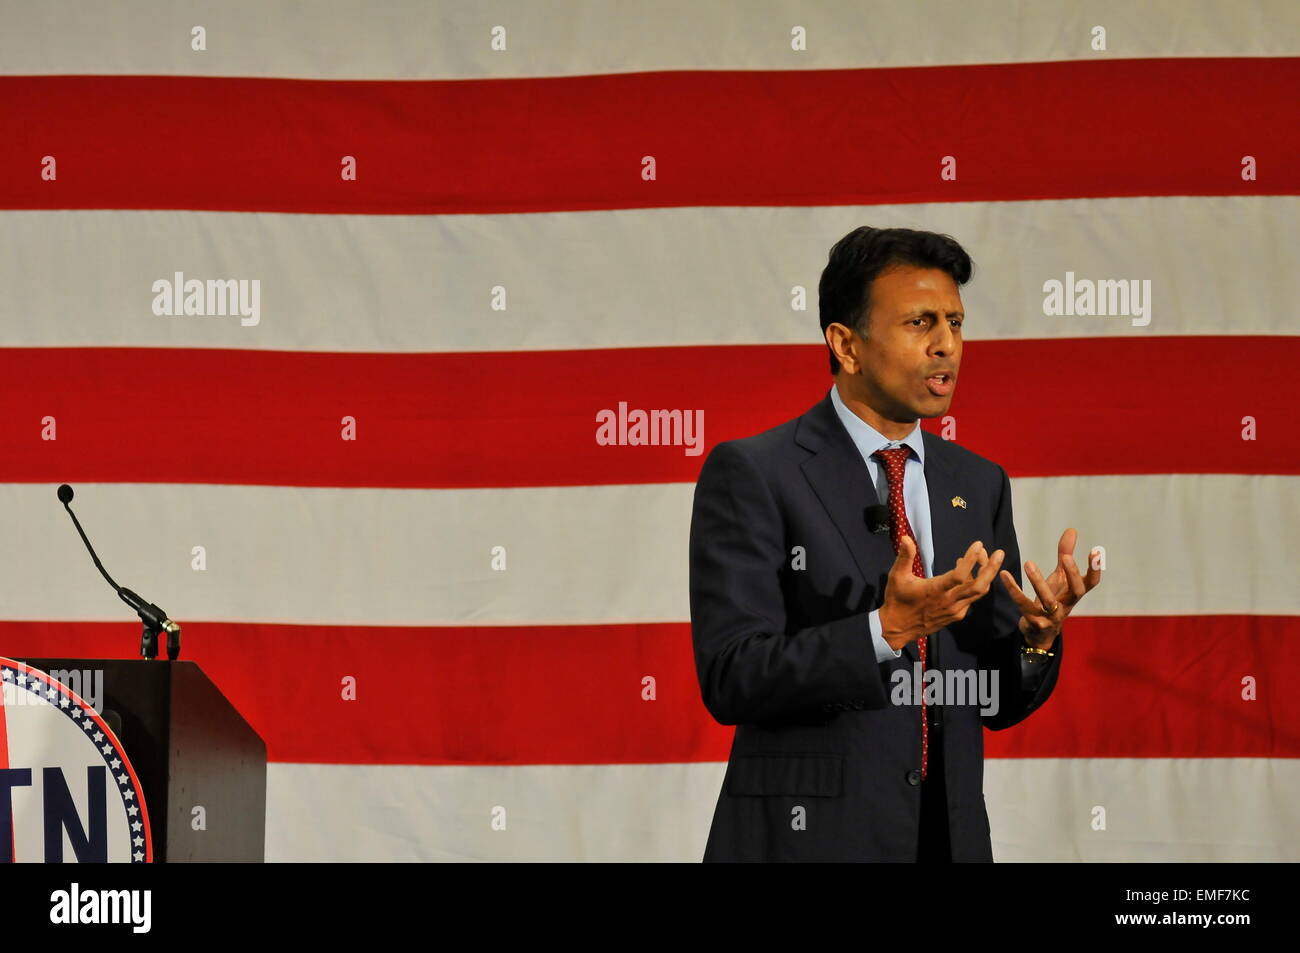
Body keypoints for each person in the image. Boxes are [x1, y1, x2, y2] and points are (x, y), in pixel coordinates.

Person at [689, 226, 1102, 862]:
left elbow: (990, 699)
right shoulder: (755, 473)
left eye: (956, 323)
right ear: (846, 345)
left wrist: (1036, 638)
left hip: (946, 840)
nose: (947, 346)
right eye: (920, 322)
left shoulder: (978, 482)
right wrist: (884, 630)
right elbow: (732, 676)